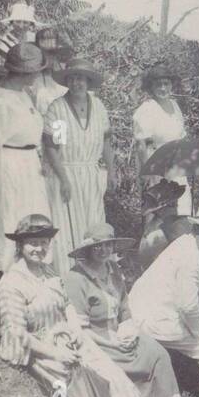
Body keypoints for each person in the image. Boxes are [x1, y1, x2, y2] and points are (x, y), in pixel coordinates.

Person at [0, 214, 165, 397]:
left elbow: (66, 305)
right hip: (41, 349)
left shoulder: (48, 273)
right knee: (91, 384)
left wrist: (76, 332)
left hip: (67, 337)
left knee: (115, 377)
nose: (39, 248)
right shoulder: (12, 284)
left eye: (44, 242)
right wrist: (57, 352)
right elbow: (16, 334)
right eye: (33, 243)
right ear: (20, 245)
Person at [63, 222, 183, 397]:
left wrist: (128, 328)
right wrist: (112, 343)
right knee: (116, 367)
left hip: (120, 334)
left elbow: (124, 305)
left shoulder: (112, 269)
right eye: (98, 246)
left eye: (108, 245)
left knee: (158, 353)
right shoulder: (76, 278)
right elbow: (79, 328)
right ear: (88, 249)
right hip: (95, 341)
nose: (104, 251)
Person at [127, 209, 199, 397]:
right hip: (155, 320)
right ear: (195, 227)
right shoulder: (191, 256)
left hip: (140, 310)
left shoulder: (185, 243)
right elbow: (187, 305)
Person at [0, 43, 51, 274]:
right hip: (7, 164)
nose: (38, 74)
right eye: (36, 70)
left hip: (27, 164)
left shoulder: (23, 94)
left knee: (28, 216)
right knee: (9, 215)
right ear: (25, 72)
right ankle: (6, 272)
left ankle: (27, 269)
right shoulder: (0, 99)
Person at [42, 57, 116, 266]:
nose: (77, 83)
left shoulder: (99, 107)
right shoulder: (58, 108)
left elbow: (106, 143)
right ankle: (69, 274)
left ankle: (96, 271)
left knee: (93, 222)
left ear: (88, 82)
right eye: (72, 78)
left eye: (81, 79)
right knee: (67, 225)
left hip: (91, 174)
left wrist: (112, 172)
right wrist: (64, 180)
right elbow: (53, 149)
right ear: (67, 81)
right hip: (66, 173)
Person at [132, 62, 191, 217]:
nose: (163, 88)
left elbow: (181, 137)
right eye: (159, 85)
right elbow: (141, 145)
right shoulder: (146, 110)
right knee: (159, 215)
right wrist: (149, 174)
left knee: (182, 212)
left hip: (178, 166)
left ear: (172, 85)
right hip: (156, 168)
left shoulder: (175, 106)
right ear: (151, 87)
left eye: (166, 84)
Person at [32, 27, 72, 114]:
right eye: (41, 52)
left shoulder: (66, 75)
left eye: (51, 52)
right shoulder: (30, 78)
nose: (45, 56)